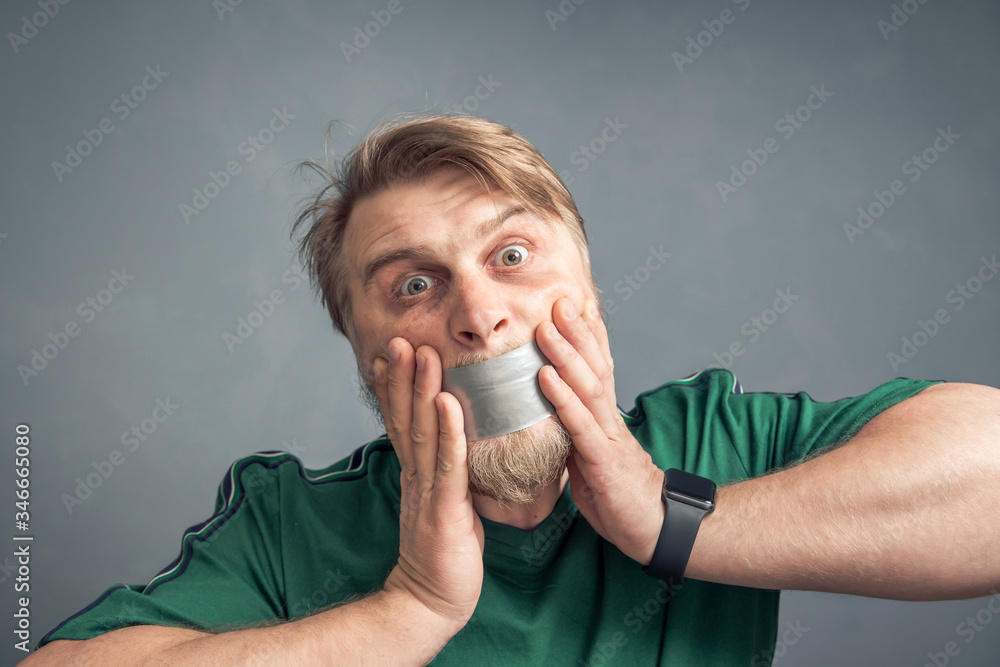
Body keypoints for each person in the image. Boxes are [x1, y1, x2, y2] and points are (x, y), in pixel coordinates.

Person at [26, 113, 1000, 665]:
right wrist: (405, 607)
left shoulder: (711, 440)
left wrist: (674, 519)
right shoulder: (292, 527)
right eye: (414, 282)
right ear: (369, 355)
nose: (480, 314)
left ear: (588, 292)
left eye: (513, 253)